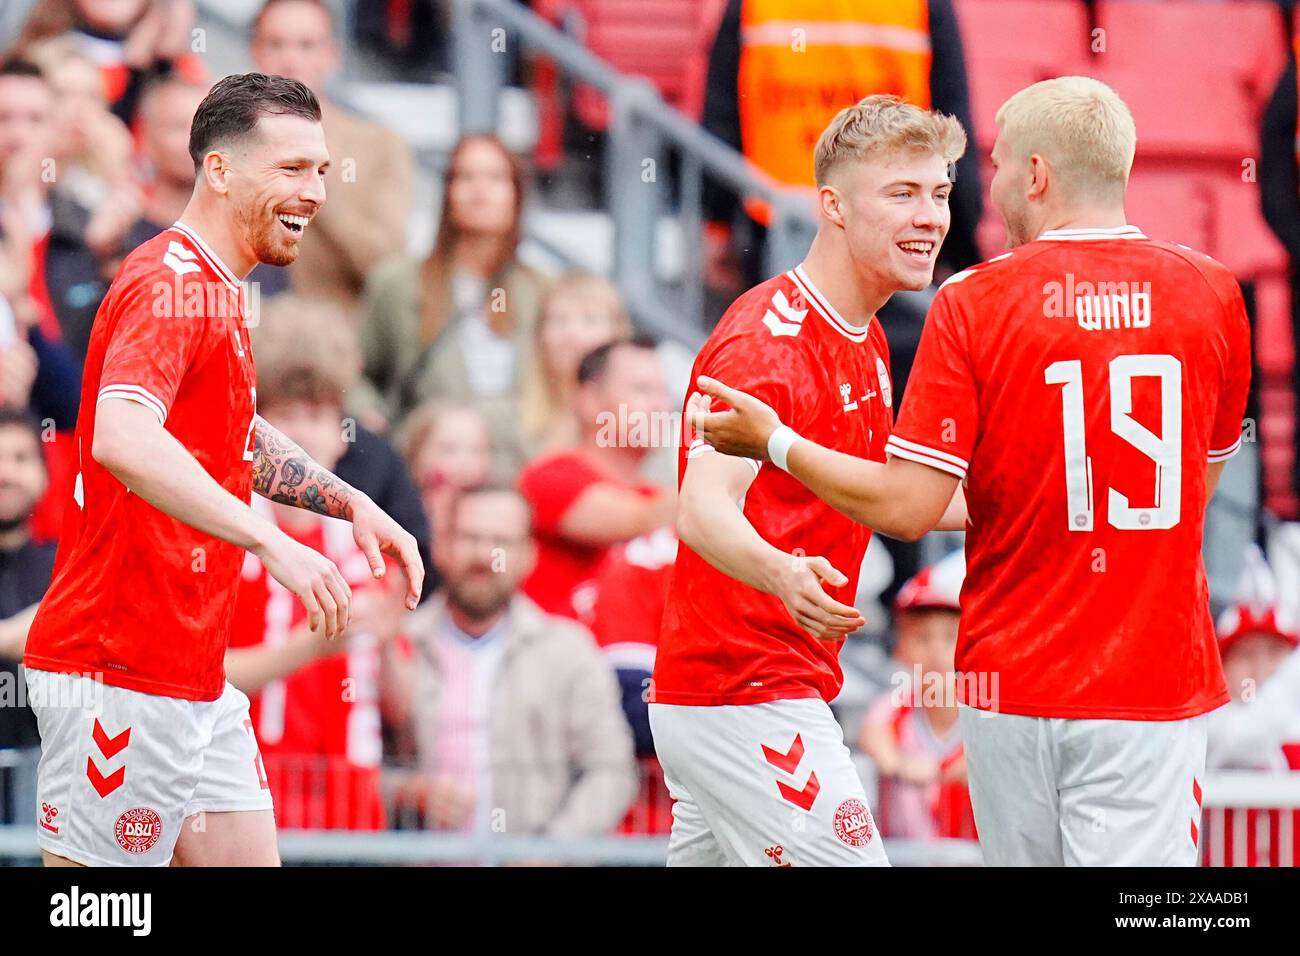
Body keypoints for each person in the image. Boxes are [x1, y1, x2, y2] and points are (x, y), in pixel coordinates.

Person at [690, 77, 1252, 866]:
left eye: (978, 175)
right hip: (1152, 683)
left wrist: (778, 443)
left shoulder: (974, 299)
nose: (966, 202)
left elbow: (912, 506)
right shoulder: (1213, 292)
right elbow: (1190, 492)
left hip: (1008, 684)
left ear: (1036, 176)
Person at [21, 72, 423, 869]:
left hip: (192, 673)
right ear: (220, 171)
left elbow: (228, 434)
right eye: (293, 168)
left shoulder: (216, 288)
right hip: (118, 670)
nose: (315, 190)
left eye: (321, 170)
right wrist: (271, 544)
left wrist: (349, 505)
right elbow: (121, 436)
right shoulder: (167, 281)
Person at [650, 94, 968, 867]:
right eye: (903, 193)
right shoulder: (767, 344)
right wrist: (780, 569)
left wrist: (1058, 503)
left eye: (941, 193)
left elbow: (902, 502)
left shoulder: (863, 337)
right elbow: (698, 508)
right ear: (831, 205)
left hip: (745, 693)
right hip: (744, 691)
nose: (930, 216)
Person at [391, 486, 637, 839]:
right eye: (470, 537)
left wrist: (550, 854)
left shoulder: (568, 651)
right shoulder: (401, 641)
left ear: (528, 556)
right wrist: (408, 791)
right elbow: (351, 769)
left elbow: (612, 772)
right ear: (441, 547)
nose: (484, 555)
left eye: (501, 541)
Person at [357, 133, 548, 472]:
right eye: (466, 177)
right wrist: (369, 416)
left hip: (519, 465)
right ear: (447, 193)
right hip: (425, 466)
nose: (480, 190)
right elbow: (357, 373)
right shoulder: (398, 283)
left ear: (517, 196)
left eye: (495, 178)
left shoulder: (540, 290)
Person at [249, 0, 412, 310]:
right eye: (275, 44)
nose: (290, 59)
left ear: (331, 55)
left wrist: (319, 188)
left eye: (307, 45)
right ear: (255, 51)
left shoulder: (378, 146)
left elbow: (389, 271)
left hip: (335, 342)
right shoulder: (222, 139)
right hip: (236, 336)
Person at [518, 337, 676, 624]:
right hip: (565, 661)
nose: (660, 406)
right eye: (641, 390)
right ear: (589, 400)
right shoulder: (551, 475)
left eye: (663, 392)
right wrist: (731, 461)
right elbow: (634, 520)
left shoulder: (660, 498)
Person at [123, 75, 290, 296]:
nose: (195, 139)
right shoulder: (120, 237)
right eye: (177, 127)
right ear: (144, 137)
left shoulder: (257, 245)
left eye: (207, 127)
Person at [859, 549, 975, 842]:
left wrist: (947, 769)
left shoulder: (983, 706)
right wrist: (899, 764)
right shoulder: (896, 704)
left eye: (950, 637)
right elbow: (874, 736)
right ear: (900, 649)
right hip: (906, 857)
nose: (936, 652)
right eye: (922, 638)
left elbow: (1000, 750)